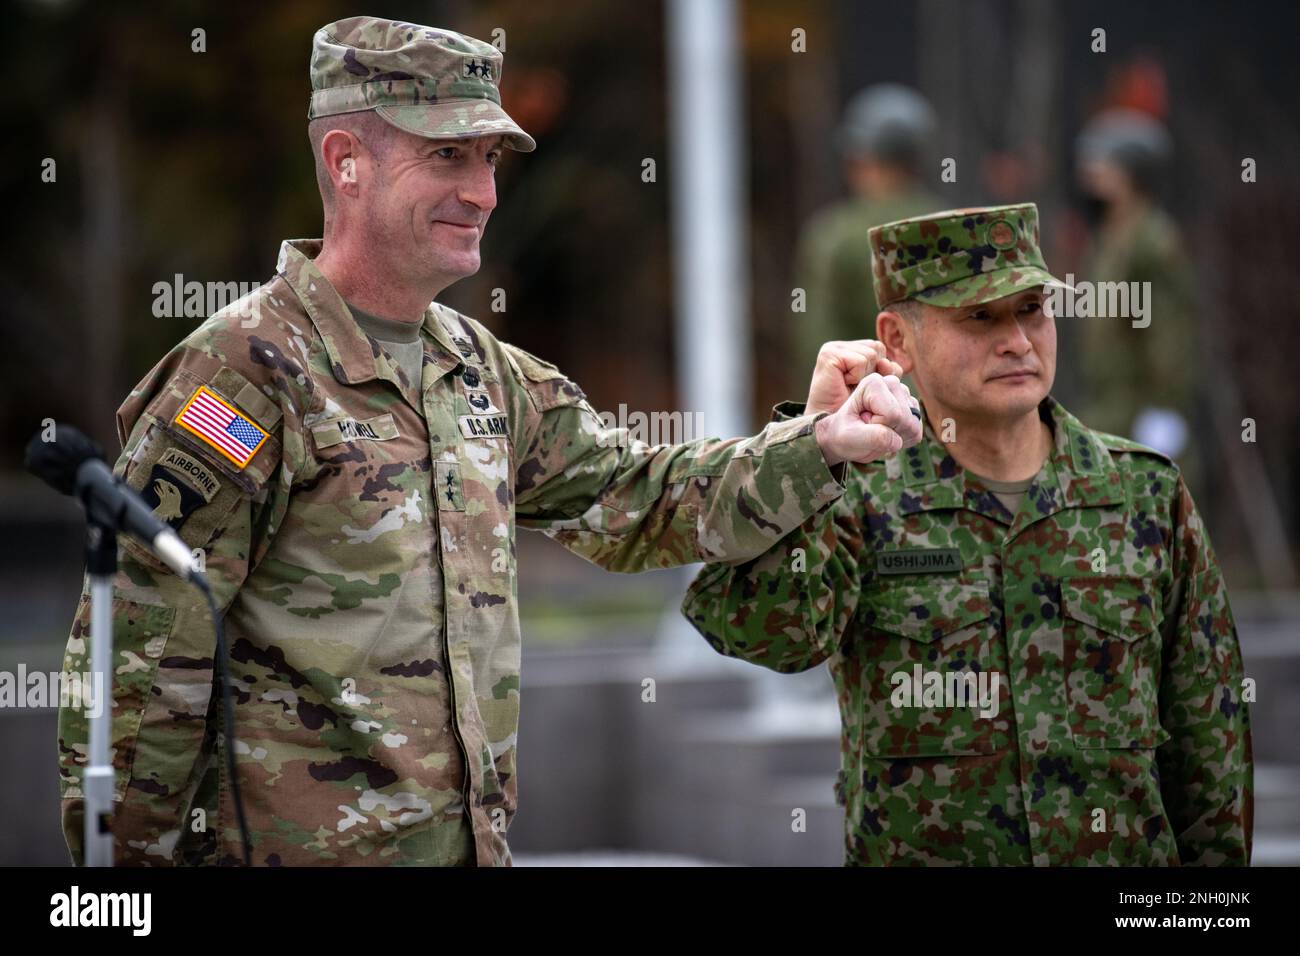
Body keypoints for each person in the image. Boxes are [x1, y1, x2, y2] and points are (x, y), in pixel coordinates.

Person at [54, 16, 921, 867]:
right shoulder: (244, 374)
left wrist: (818, 443)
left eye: (489, 159)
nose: (483, 192)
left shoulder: (478, 369)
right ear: (344, 160)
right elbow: (142, 663)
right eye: (447, 155)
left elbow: (641, 497)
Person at [683, 203, 1252, 866]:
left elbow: (1209, 748)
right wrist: (808, 452)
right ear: (897, 341)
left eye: (1033, 308)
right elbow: (755, 631)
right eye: (980, 317)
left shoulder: (1145, 494)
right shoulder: (857, 491)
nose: (1017, 340)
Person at [1074, 109, 1203, 492]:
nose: (1089, 173)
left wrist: (1164, 409)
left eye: (1102, 164)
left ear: (1131, 173)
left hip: (1139, 408)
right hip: (1107, 404)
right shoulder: (1111, 238)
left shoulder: (1152, 240)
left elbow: (1169, 331)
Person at [793, 84, 942, 374]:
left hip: (868, 405)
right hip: (945, 405)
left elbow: (817, 343)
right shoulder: (951, 225)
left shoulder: (834, 235)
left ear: (860, 158)